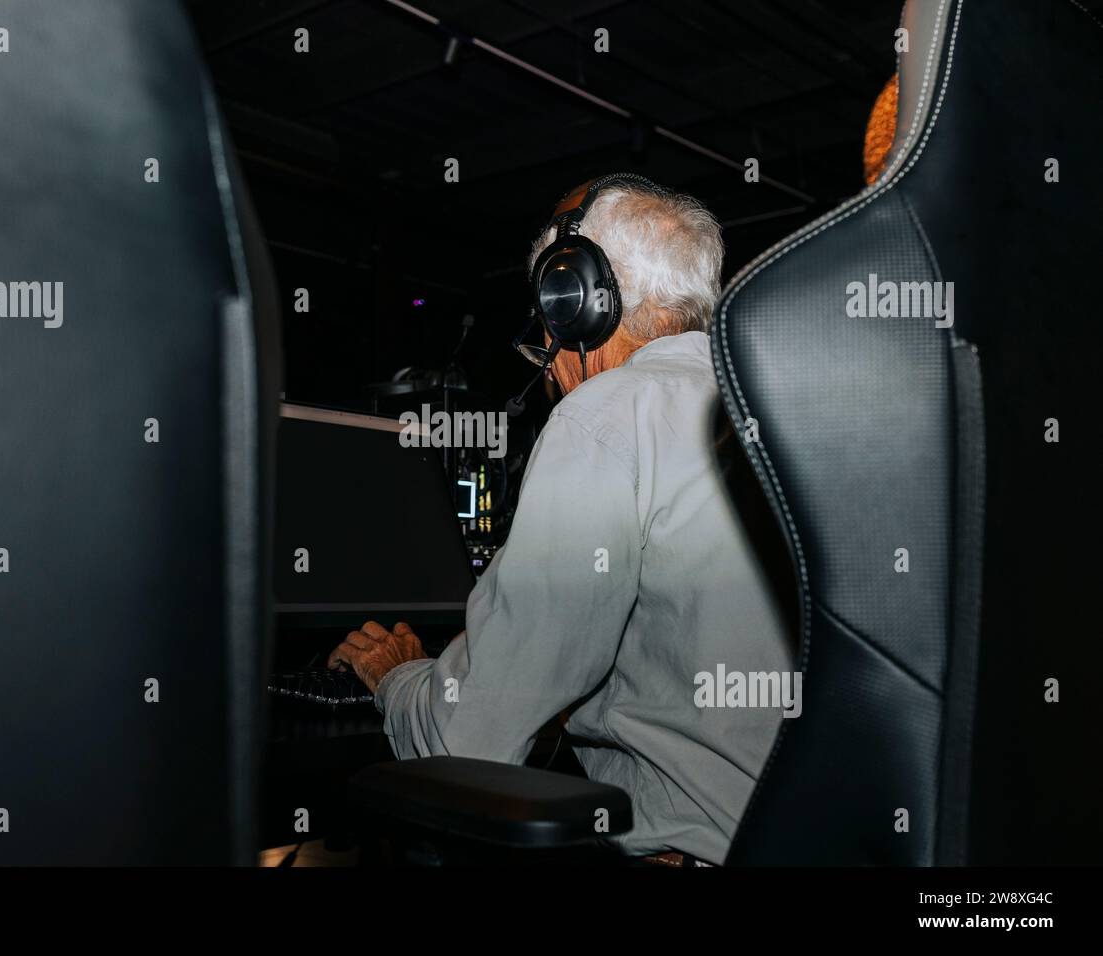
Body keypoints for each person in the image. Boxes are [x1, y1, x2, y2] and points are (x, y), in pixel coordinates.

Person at [329, 176, 792, 864]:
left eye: (548, 323)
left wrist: (399, 676)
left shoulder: (610, 412)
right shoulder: (791, 399)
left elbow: (468, 741)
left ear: (577, 299)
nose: (547, 364)